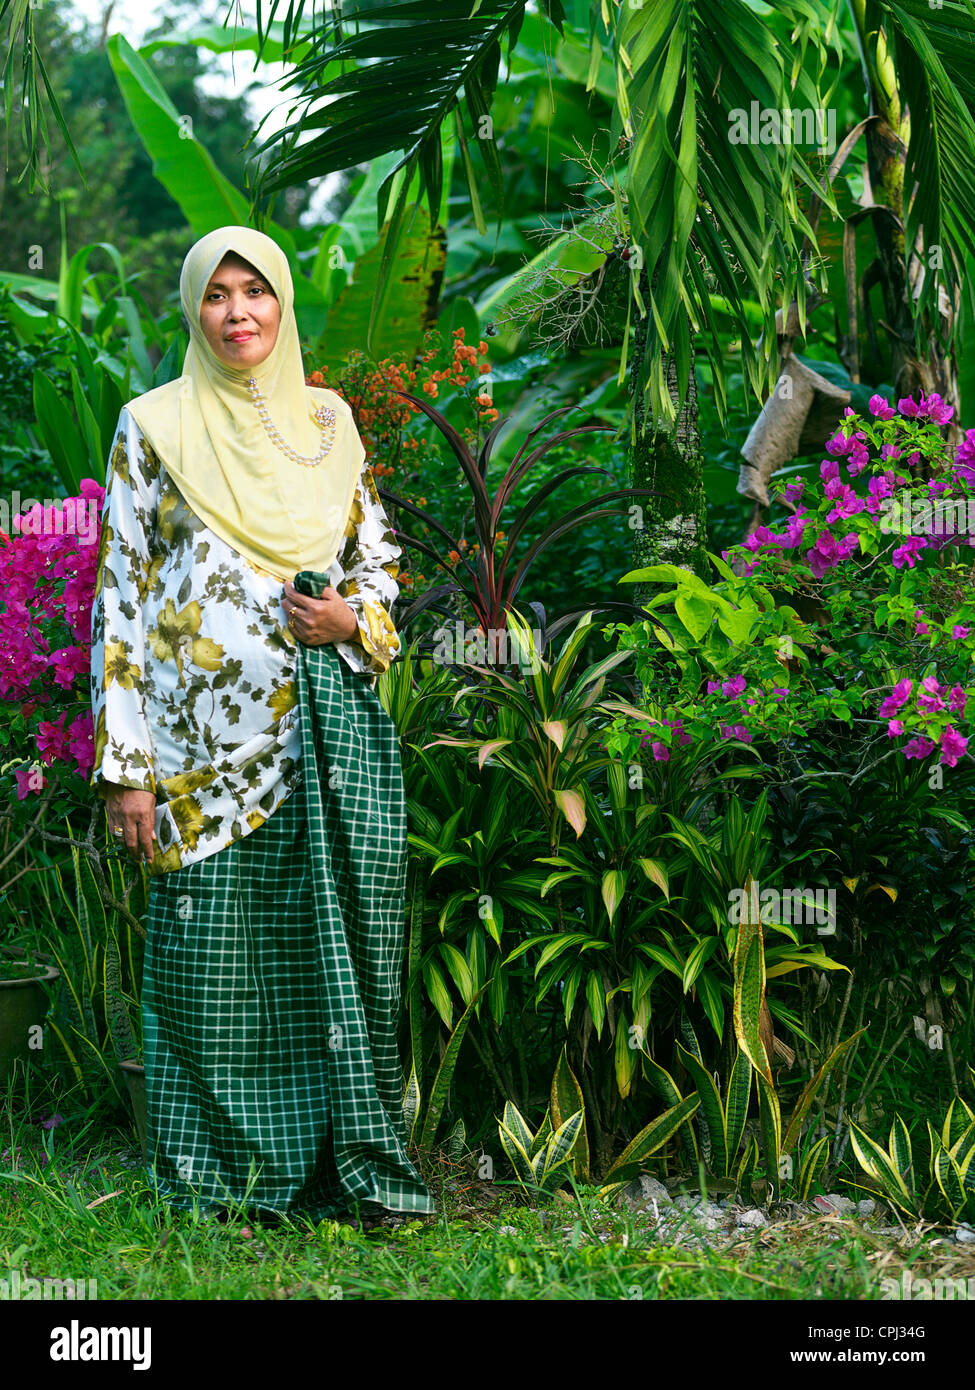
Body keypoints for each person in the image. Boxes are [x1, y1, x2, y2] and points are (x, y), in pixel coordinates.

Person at [89, 224, 435, 1225]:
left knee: (325, 949)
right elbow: (121, 593)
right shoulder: (150, 423)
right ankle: (221, 1173)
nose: (237, 311)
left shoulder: (328, 424)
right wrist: (127, 765)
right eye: (216, 293)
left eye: (257, 291)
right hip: (197, 751)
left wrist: (352, 623)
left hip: (319, 735)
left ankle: (335, 1161)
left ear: (283, 308)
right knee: (211, 964)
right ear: (193, 309)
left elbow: (379, 563)